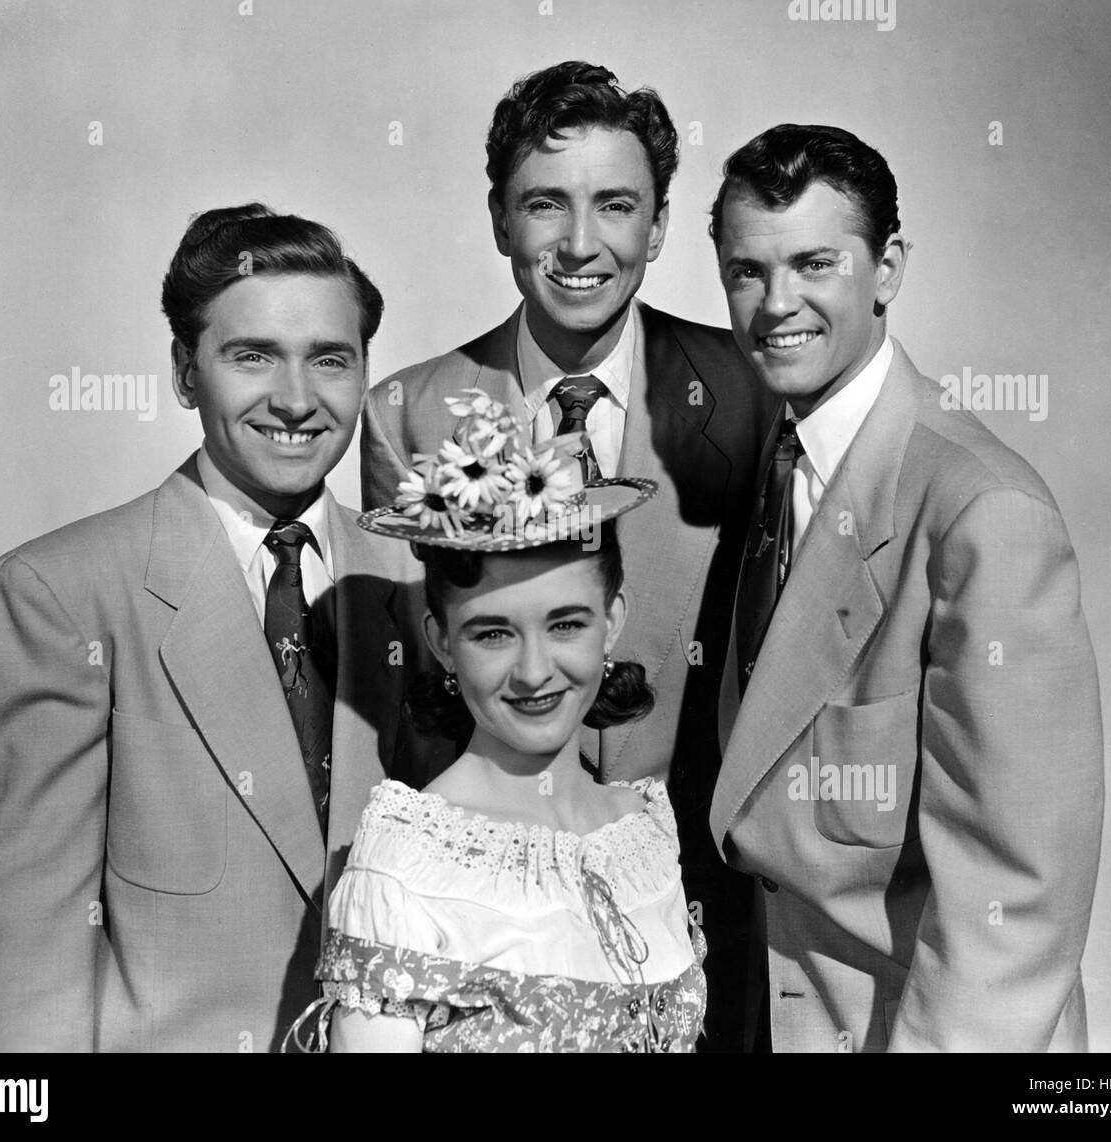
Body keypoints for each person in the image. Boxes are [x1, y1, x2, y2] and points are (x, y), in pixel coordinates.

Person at [0, 204, 447, 1051]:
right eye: (252, 357)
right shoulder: (59, 594)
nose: (295, 400)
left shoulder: (422, 580)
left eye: (329, 359)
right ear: (185, 372)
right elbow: (28, 955)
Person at [359, 58, 769, 1052]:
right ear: (501, 219)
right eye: (546, 204)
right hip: (492, 932)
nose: (580, 245)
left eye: (615, 205)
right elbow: (425, 688)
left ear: (661, 225)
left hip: (701, 918)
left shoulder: (755, 393)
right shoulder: (406, 412)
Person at [709, 124, 1105, 1051]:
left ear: (887, 267)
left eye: (815, 264)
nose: (777, 305)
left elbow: (1015, 907)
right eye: (746, 271)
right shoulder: (770, 451)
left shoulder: (985, 513)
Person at [288, 391, 706, 1052]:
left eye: (566, 624)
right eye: (493, 635)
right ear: (442, 640)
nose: (534, 672)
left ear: (613, 620)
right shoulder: (404, 870)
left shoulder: (643, 832)